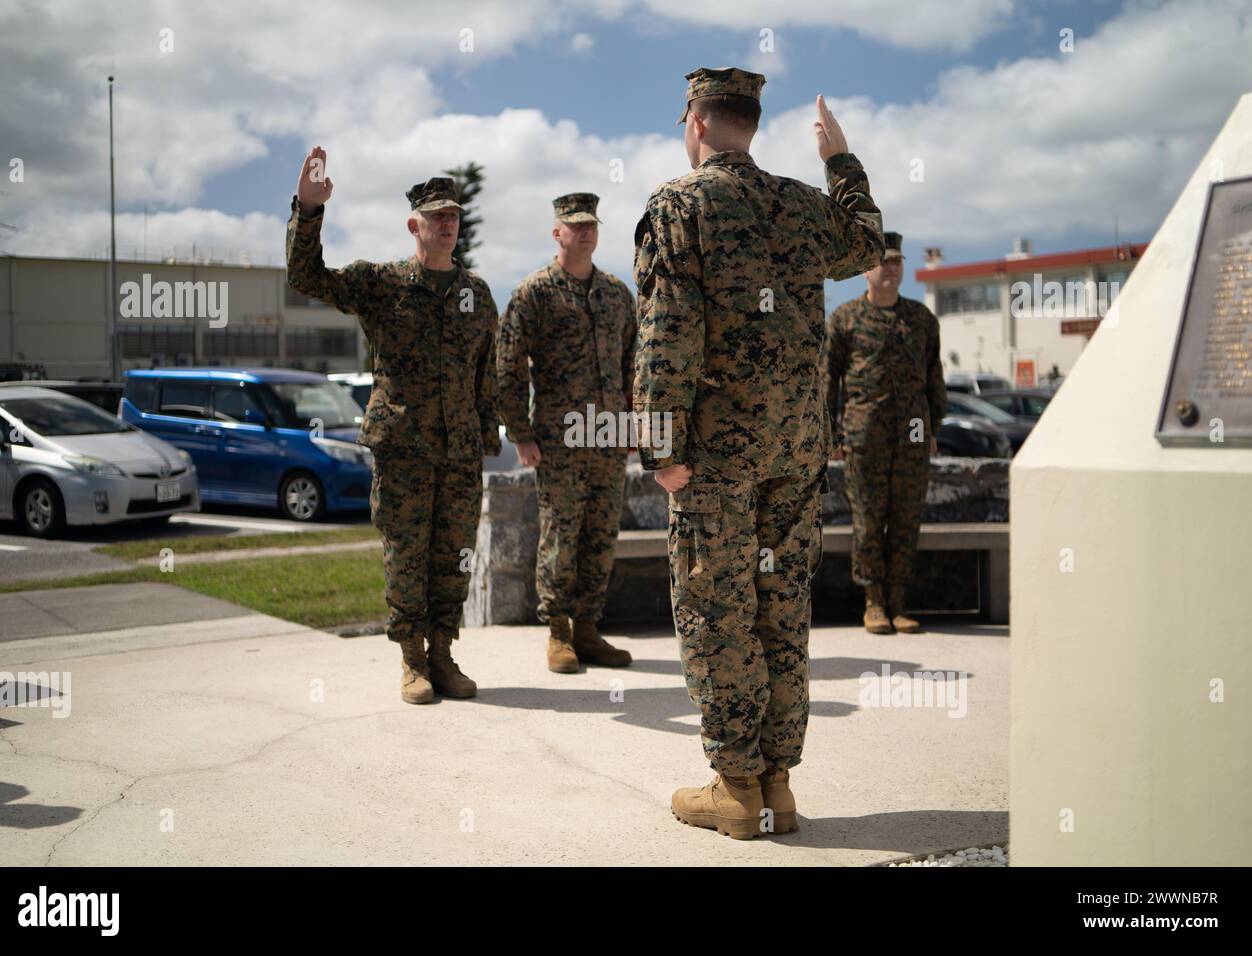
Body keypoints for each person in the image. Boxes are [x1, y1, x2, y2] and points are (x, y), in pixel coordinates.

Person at [633, 68, 883, 839]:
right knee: (781, 606)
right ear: (749, 121)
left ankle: (736, 787)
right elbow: (868, 244)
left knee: (718, 609)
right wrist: (841, 162)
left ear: (697, 123)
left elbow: (667, 331)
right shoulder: (802, 204)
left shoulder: (679, 203)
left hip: (716, 452)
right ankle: (778, 782)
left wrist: (659, 449)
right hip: (796, 447)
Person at [286, 148, 499, 704]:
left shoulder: (477, 293)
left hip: (460, 452)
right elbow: (306, 277)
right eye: (436, 218)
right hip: (403, 447)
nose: (447, 225)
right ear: (415, 225)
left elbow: (487, 373)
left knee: (454, 556)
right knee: (406, 554)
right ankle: (411, 660)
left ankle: (444, 654)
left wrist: (487, 439)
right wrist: (308, 212)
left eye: (453, 217)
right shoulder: (380, 283)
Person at [497, 193, 637, 673]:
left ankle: (589, 630)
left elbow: (631, 365)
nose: (586, 232)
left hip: (609, 437)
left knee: (601, 535)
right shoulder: (534, 293)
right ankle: (558, 633)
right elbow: (508, 367)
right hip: (560, 438)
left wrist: (633, 421)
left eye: (591, 224)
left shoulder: (618, 293)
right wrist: (520, 433)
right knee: (561, 534)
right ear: (556, 232)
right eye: (575, 225)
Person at [826, 231, 947, 635]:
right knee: (868, 520)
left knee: (906, 519)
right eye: (883, 261)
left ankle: (899, 603)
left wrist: (935, 427)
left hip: (912, 438)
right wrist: (832, 434)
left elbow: (935, 378)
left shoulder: (921, 319)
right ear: (866, 269)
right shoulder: (844, 319)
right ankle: (873, 602)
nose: (892, 268)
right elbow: (829, 381)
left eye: (897, 261)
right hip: (864, 438)